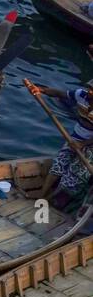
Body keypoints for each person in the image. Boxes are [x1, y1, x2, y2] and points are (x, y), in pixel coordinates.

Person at [31, 80, 93, 211]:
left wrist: (82, 144)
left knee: (73, 176)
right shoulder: (82, 95)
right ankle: (42, 195)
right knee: (58, 165)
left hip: (90, 146)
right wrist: (40, 90)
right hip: (74, 138)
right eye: (90, 89)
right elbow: (59, 93)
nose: (90, 92)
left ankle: (55, 199)